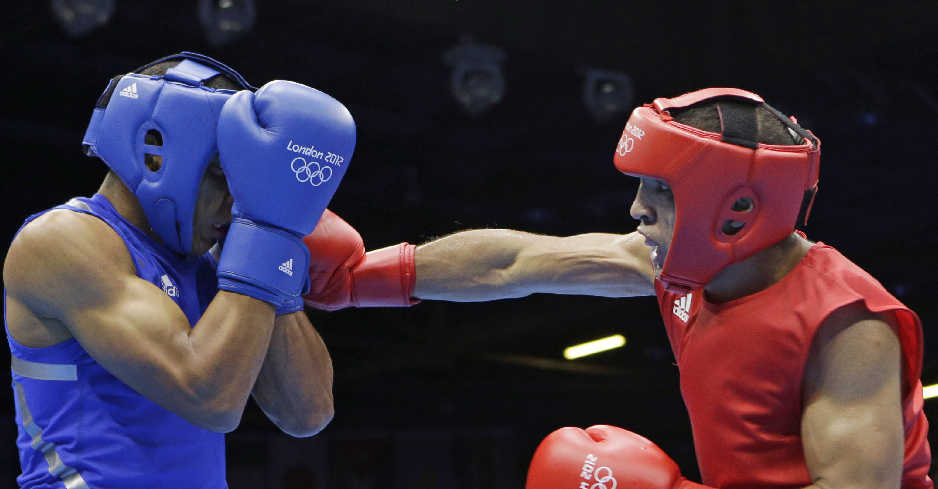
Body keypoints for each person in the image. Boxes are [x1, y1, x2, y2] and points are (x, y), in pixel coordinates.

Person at [296, 88, 932, 489]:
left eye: (659, 191)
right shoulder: (684, 269)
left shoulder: (848, 325)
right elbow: (516, 261)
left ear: (733, 210)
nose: (635, 209)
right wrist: (354, 282)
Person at [2, 52, 356, 488]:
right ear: (154, 154)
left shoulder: (224, 261)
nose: (236, 203)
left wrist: (272, 238)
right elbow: (209, 397)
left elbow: (308, 413)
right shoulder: (62, 241)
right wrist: (264, 237)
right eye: (220, 176)